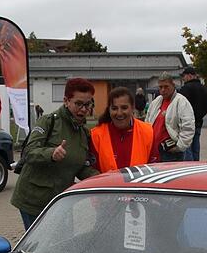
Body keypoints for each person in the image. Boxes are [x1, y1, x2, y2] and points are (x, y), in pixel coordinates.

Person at [10, 78, 98, 230]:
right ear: (66, 101)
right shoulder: (48, 121)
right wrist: (51, 154)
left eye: (88, 104)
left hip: (60, 202)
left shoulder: (83, 133)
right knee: (40, 243)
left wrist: (102, 177)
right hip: (34, 201)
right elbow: (29, 153)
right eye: (78, 104)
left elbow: (81, 166)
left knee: (64, 240)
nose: (84, 109)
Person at [90, 87, 154, 172]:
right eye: (114, 108)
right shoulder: (96, 135)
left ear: (132, 108)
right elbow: (92, 172)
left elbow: (154, 169)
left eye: (124, 108)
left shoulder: (148, 132)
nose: (119, 113)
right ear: (109, 109)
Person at [146, 73, 195, 162]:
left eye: (166, 87)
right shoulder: (156, 102)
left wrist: (179, 147)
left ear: (173, 85)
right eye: (160, 87)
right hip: (153, 151)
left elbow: (188, 126)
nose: (163, 90)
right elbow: (147, 122)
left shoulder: (181, 101)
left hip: (171, 153)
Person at [178, 66, 207, 161]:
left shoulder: (185, 88)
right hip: (199, 121)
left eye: (184, 76)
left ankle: (189, 165)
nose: (183, 78)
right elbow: (206, 106)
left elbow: (181, 106)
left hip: (187, 122)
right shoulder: (204, 88)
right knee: (196, 146)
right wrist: (199, 116)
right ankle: (196, 164)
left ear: (189, 76)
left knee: (187, 147)